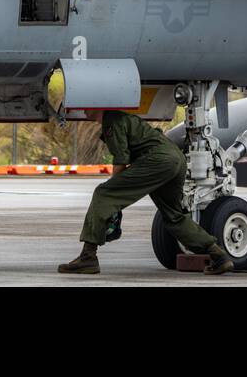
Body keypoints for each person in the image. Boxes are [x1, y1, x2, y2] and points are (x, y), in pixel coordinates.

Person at [58, 107, 234, 275]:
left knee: (103, 194)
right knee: (174, 216)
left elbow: (121, 160)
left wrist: (113, 197)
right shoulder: (119, 118)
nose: (84, 109)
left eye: (88, 105)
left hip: (158, 160)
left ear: (99, 106)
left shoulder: (111, 120)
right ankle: (219, 256)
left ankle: (88, 257)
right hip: (175, 160)